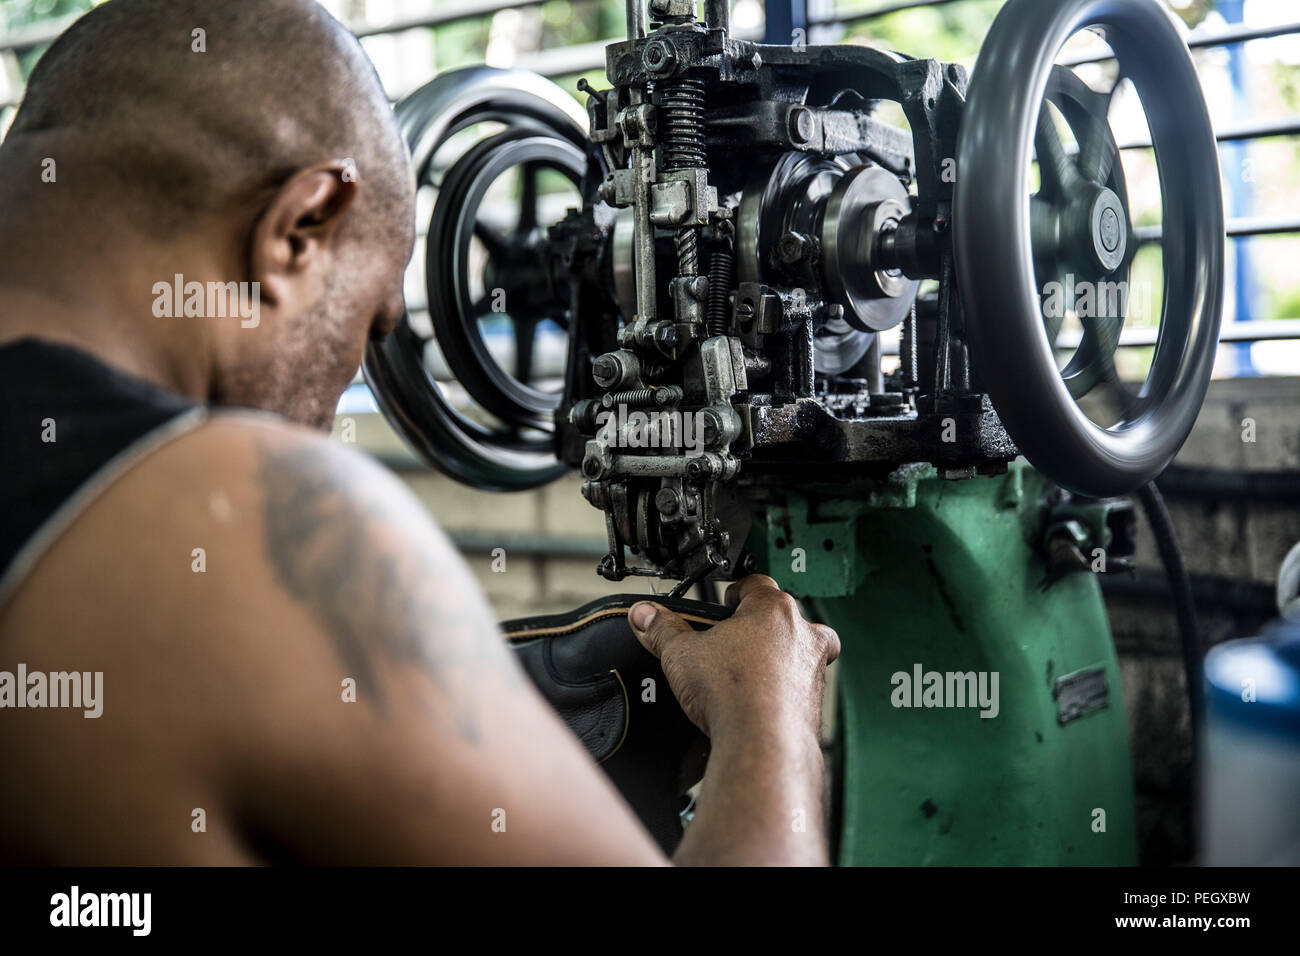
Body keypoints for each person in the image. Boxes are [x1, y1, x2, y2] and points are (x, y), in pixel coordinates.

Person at [0, 0, 839, 865]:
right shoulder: (245, 517)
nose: (329, 421)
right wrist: (765, 718)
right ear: (298, 229)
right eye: (369, 328)